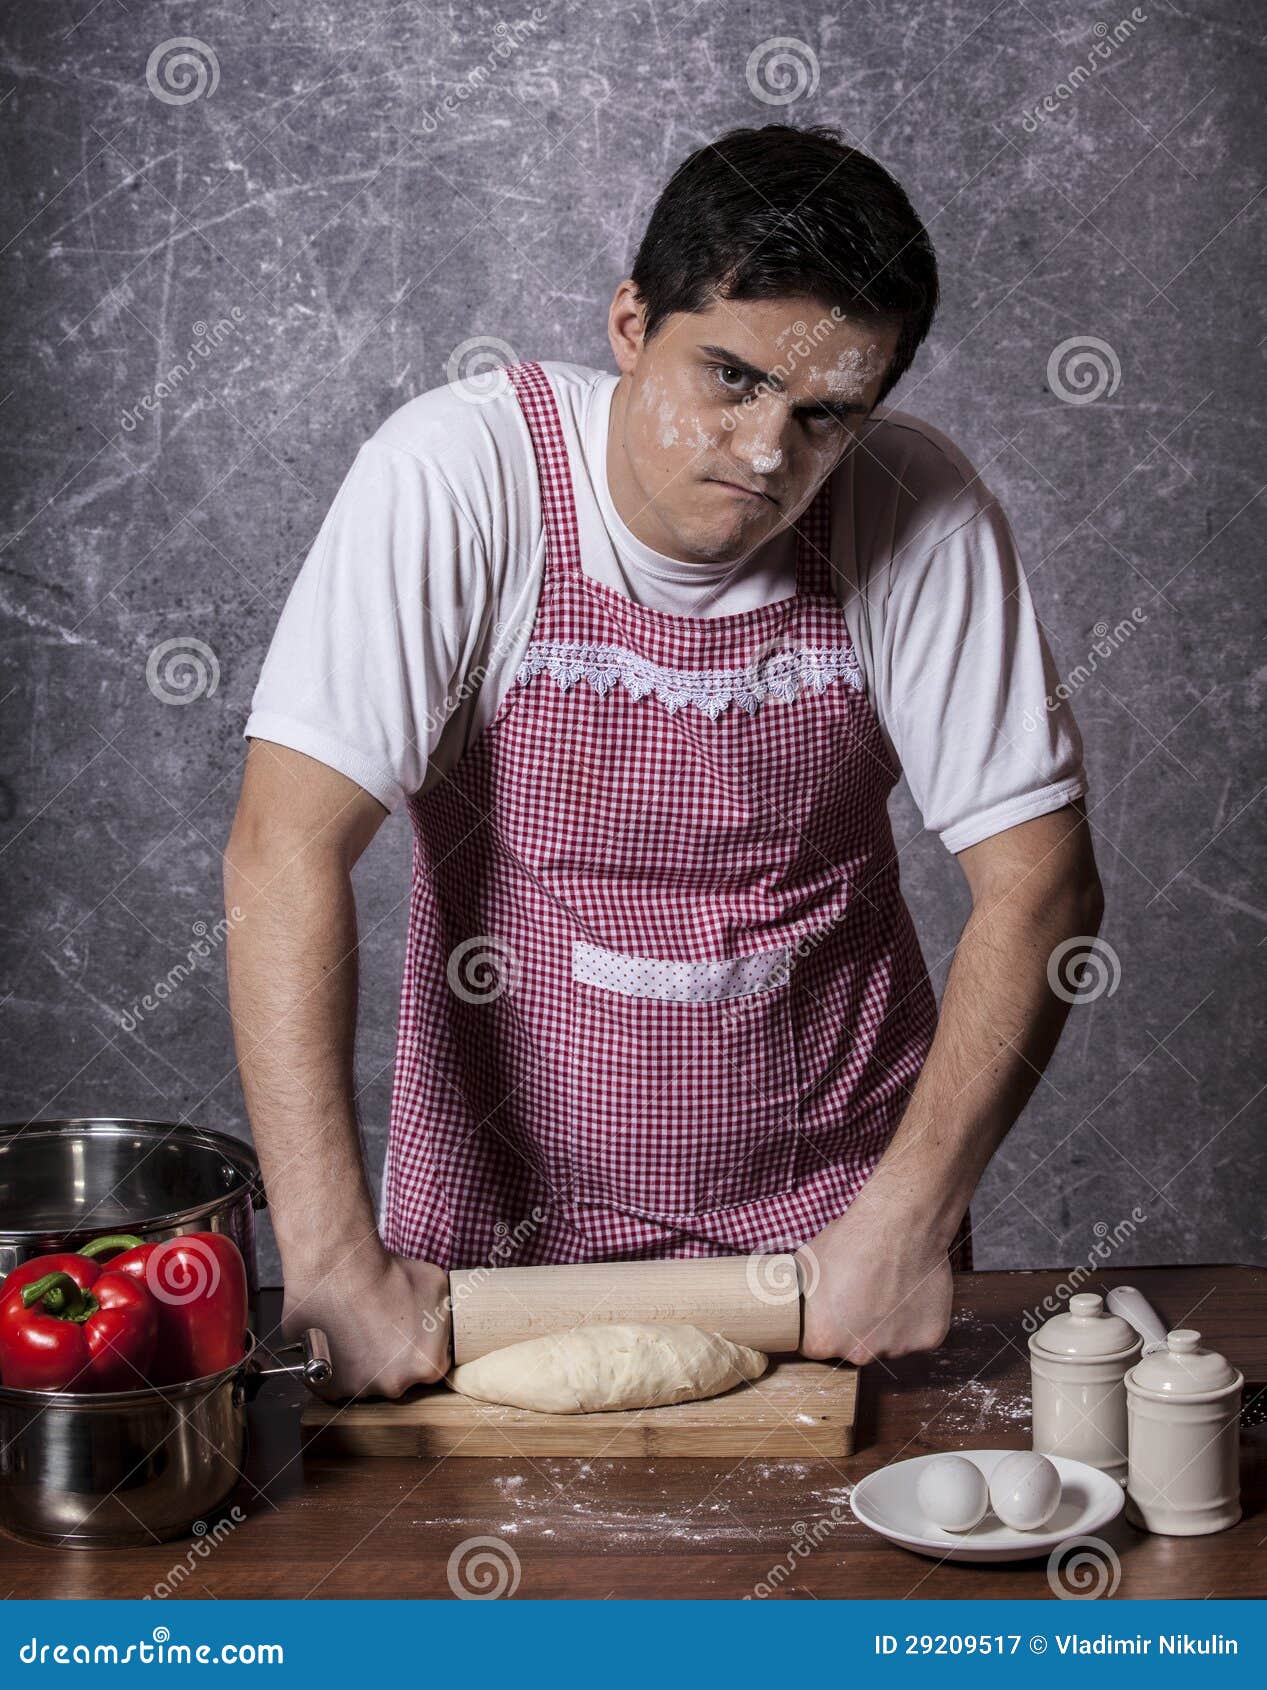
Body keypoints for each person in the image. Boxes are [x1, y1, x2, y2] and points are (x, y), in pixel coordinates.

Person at [225, 124, 1102, 1398]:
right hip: (497, 1235)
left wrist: (908, 1219)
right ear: (631, 323)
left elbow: (1044, 890)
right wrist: (326, 1257)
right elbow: (283, 847)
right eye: (731, 378)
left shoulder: (917, 512)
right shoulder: (463, 478)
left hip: (839, 1235)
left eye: (823, 415)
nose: (762, 453)